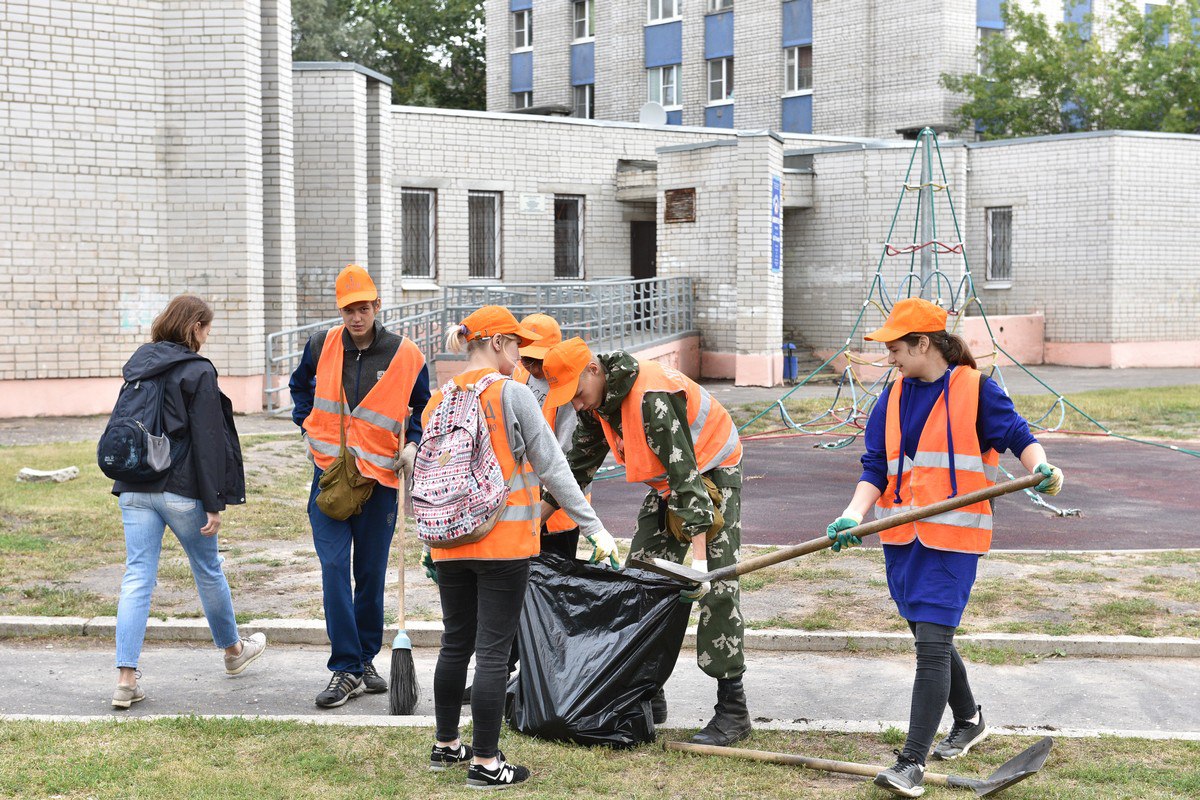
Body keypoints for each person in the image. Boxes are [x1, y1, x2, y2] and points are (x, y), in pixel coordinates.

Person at [824, 297, 1065, 798]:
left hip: (954, 538)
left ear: (924, 344)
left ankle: (910, 764)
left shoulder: (976, 390)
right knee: (928, 635)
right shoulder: (890, 398)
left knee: (931, 648)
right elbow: (875, 467)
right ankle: (970, 718)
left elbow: (1019, 435)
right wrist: (853, 514)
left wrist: (1040, 469)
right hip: (900, 535)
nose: (889, 358)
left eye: (896, 349)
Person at [425, 306, 618, 790]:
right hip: (504, 543)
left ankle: (446, 744)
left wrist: (430, 542)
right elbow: (554, 467)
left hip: (448, 540)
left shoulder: (437, 400)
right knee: (492, 652)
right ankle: (487, 763)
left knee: (455, 643)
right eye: (514, 345)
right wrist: (593, 527)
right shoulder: (511, 394)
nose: (519, 356)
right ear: (495, 344)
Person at [540, 338, 751, 747]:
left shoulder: (650, 397)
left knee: (717, 588)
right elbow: (575, 469)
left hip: (711, 472)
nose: (577, 405)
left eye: (577, 394)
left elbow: (688, 483)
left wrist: (701, 568)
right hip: (671, 484)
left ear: (594, 371)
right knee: (639, 579)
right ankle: (648, 695)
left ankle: (733, 711)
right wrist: (533, 526)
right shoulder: (600, 402)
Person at [110, 294, 265, 708]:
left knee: (137, 576)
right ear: (194, 326)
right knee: (208, 570)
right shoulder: (197, 371)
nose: (207, 336)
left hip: (135, 486)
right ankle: (234, 653)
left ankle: (126, 679)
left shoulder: (139, 364)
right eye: (206, 328)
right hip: (180, 490)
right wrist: (214, 501)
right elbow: (209, 442)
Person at [289, 264, 431, 708]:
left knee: (369, 576)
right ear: (340, 310)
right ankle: (346, 668)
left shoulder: (405, 355)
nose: (356, 317)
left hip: (380, 480)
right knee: (334, 569)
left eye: (363, 308)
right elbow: (299, 389)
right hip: (330, 477)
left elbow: (423, 406)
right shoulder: (321, 344)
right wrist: (306, 426)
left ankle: (366, 657)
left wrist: (412, 443)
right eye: (349, 309)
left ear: (377, 306)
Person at [511, 313, 585, 560]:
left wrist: (546, 505)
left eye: (538, 360)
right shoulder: (520, 376)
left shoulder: (564, 384)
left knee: (557, 583)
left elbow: (568, 453)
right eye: (526, 360)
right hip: (525, 497)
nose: (531, 367)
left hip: (556, 507)